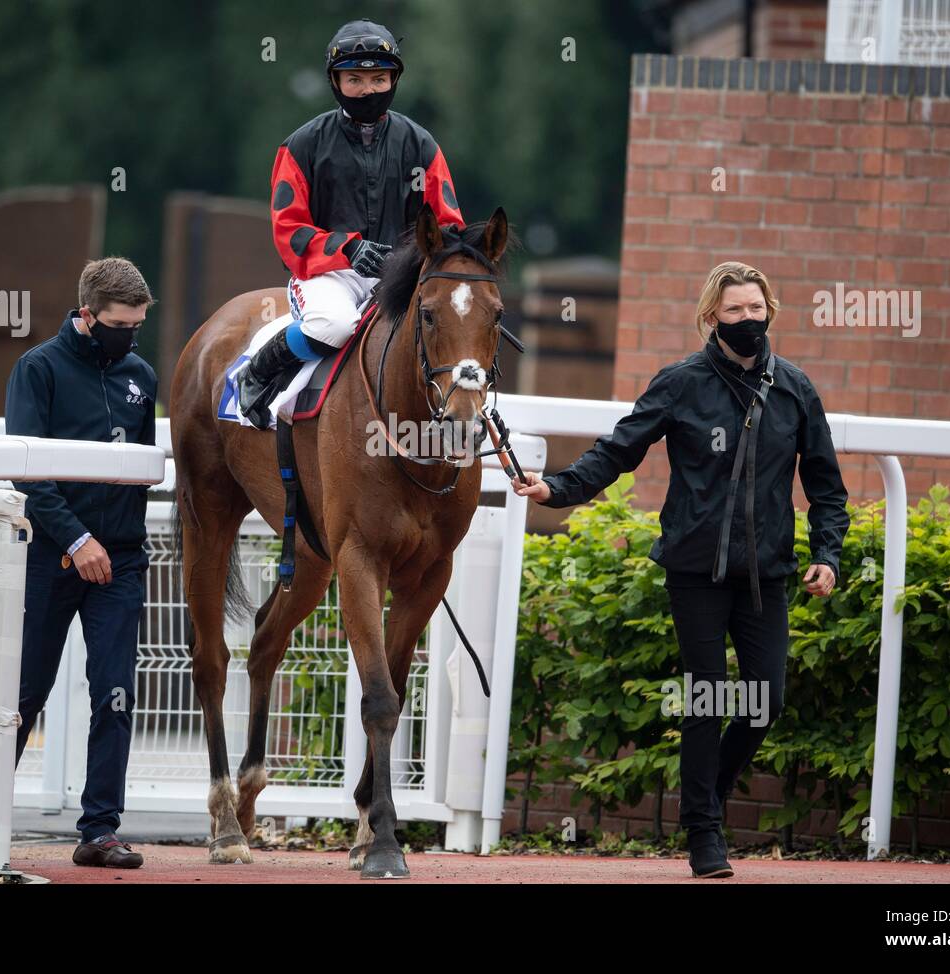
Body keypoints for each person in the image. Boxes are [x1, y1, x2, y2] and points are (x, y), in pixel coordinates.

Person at [512, 260, 850, 879]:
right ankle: (704, 835)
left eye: (756, 309)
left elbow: (827, 488)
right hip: (694, 570)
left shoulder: (796, 390)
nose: (748, 320)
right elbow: (619, 450)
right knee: (707, 695)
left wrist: (827, 555)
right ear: (710, 319)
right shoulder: (681, 383)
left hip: (766, 573)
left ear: (769, 310)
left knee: (764, 700)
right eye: (734, 312)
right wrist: (556, 488)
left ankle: (706, 801)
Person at [4, 257, 159, 869]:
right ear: (88, 315)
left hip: (120, 561)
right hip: (53, 557)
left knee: (116, 692)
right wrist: (75, 540)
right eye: (122, 325)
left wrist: (110, 544)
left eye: (139, 325)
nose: (131, 336)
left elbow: (144, 466)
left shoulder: (141, 375)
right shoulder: (37, 368)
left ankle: (99, 831)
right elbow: (29, 471)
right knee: (24, 692)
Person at [236, 17, 465, 428]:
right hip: (328, 275)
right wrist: (348, 249)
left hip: (402, 275)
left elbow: (447, 226)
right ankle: (260, 369)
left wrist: (412, 261)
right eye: (354, 79)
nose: (368, 89)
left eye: (379, 78)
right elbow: (289, 229)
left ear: (394, 80)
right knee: (335, 324)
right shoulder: (302, 145)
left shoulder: (422, 145)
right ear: (335, 82)